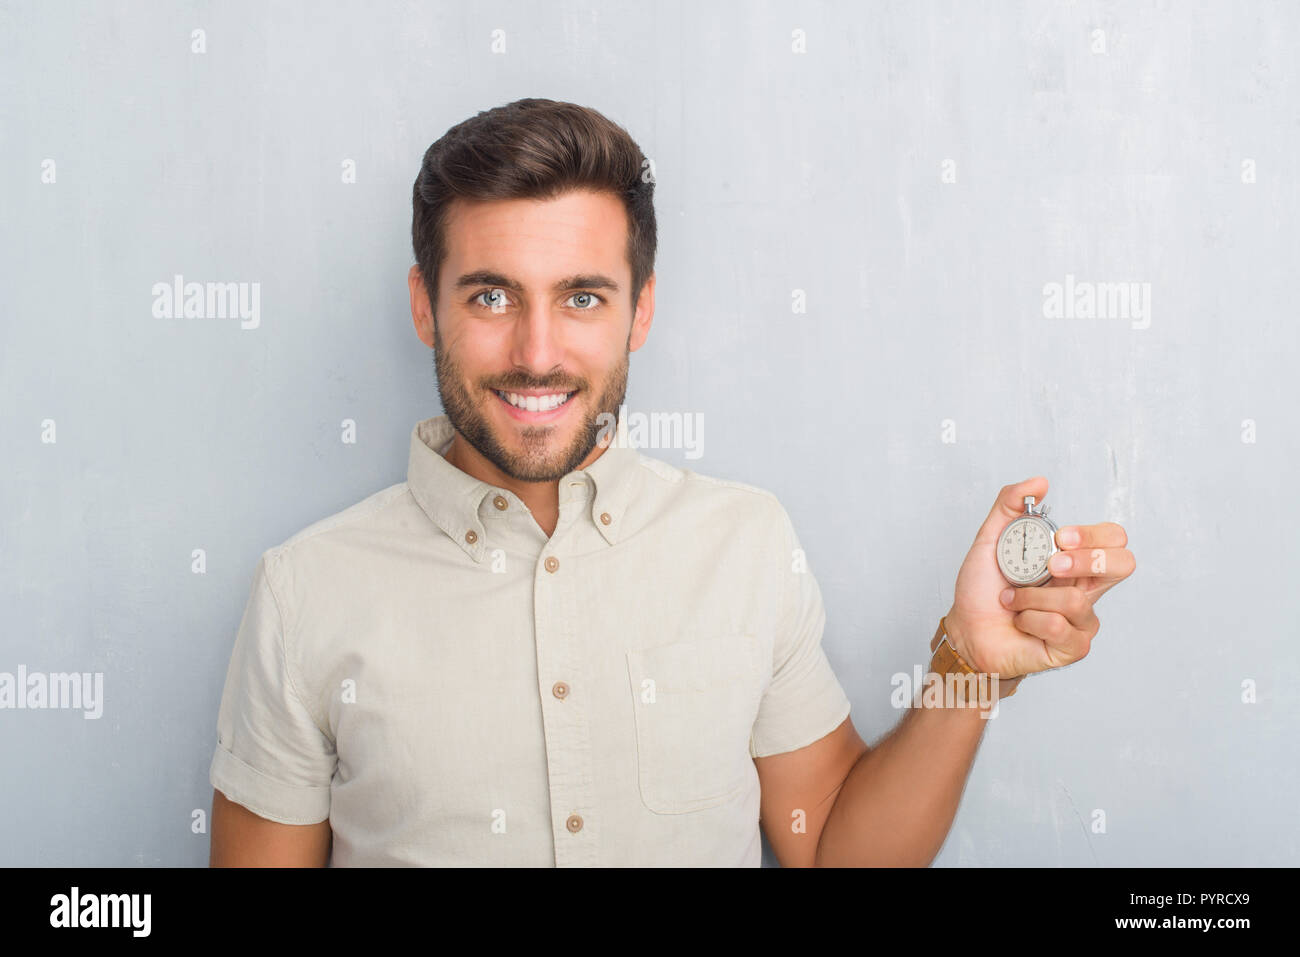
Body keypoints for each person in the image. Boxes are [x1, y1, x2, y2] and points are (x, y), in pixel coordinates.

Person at [208, 98, 1135, 867]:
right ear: (425, 305)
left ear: (639, 309)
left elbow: (830, 854)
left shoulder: (746, 542)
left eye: (582, 296)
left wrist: (965, 670)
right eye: (491, 295)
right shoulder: (307, 591)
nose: (538, 353)